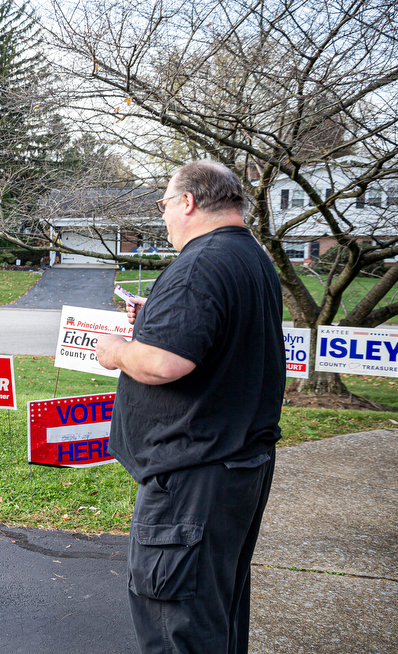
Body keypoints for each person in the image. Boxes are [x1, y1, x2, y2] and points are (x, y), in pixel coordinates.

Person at [95, 161, 285, 654]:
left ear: (188, 202)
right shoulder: (250, 256)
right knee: (214, 615)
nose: (163, 217)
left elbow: (163, 363)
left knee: (177, 626)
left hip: (192, 476)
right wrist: (157, 318)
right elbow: (212, 335)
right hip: (235, 465)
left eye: (164, 204)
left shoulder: (201, 263)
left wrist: (115, 351)